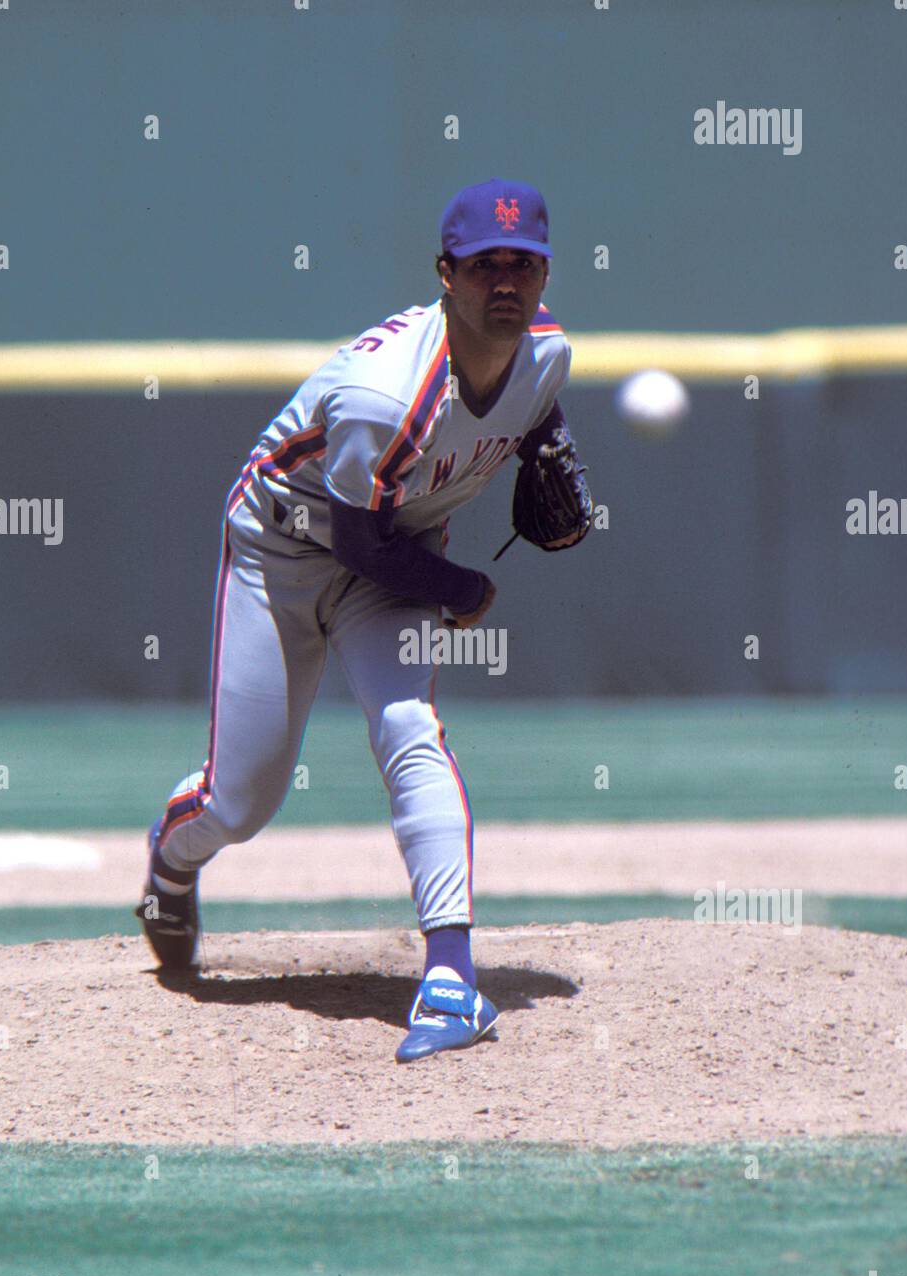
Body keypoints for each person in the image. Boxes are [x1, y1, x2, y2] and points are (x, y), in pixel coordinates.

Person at [135, 177, 584, 1063]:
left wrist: (547, 448)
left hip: (393, 551)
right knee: (242, 799)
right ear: (444, 275)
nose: (506, 281)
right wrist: (462, 591)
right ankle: (171, 861)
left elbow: (531, 406)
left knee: (411, 727)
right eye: (485, 264)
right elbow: (359, 541)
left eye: (523, 264)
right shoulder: (384, 396)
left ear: (544, 274)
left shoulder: (549, 351)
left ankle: (451, 977)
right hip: (285, 551)